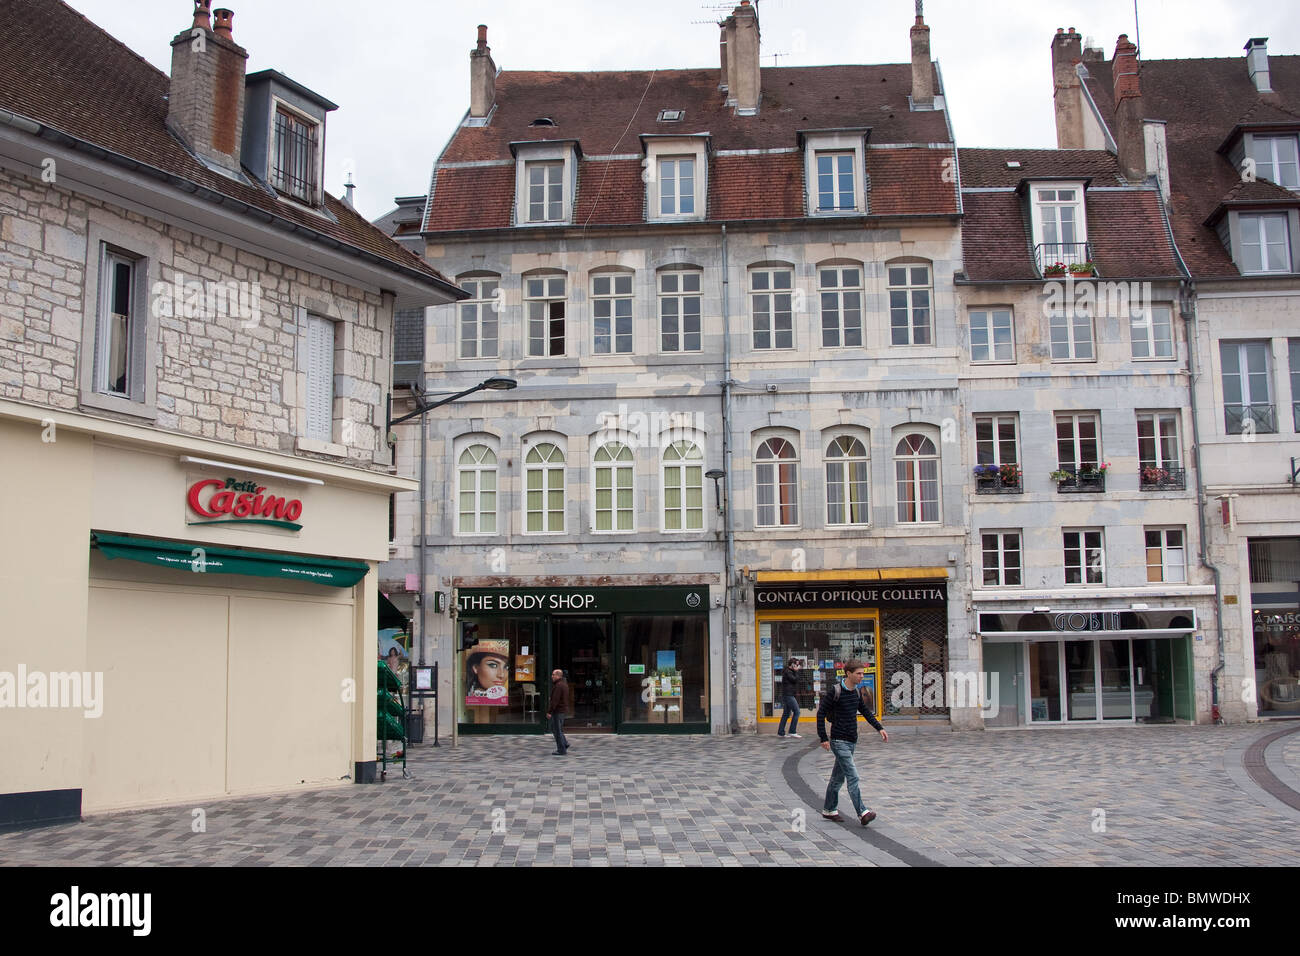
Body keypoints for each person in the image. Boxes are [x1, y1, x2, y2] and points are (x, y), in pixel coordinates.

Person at [816, 662, 888, 825]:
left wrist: (879, 728)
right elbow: (820, 714)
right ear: (848, 673)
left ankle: (829, 809)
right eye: (859, 673)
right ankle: (862, 812)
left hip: (851, 740)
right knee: (853, 776)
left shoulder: (856, 692)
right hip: (838, 740)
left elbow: (865, 712)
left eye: (863, 673)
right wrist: (823, 737)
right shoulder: (835, 691)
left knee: (837, 778)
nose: (862, 676)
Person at [546, 668, 571, 756]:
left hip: (558, 711)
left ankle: (561, 749)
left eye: (553, 675)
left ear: (558, 676)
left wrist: (549, 711)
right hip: (562, 710)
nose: (551, 676)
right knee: (558, 729)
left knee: (556, 729)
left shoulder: (559, 686)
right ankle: (564, 743)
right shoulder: (563, 684)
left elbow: (555, 701)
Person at [776, 658, 804, 738]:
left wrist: (795, 671)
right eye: (797, 664)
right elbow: (795, 680)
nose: (798, 666)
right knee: (797, 712)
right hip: (788, 695)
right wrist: (796, 671)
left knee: (786, 714)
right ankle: (792, 731)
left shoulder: (789, 671)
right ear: (792, 664)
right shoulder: (788, 672)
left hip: (788, 694)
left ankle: (781, 732)